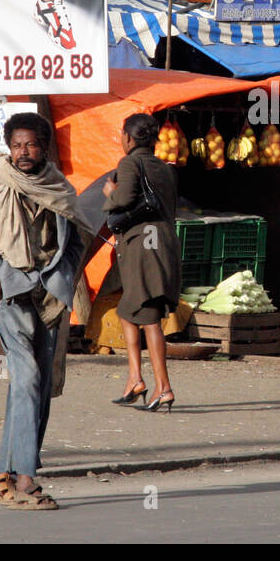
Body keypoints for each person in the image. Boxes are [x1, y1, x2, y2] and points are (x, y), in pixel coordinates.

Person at [0, 112, 91, 510]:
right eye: (17, 145)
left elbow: (76, 238)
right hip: (8, 293)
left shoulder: (58, 187)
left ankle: (6, 477)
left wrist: (64, 276)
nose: (23, 152)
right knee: (25, 374)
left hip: (47, 298)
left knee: (39, 384)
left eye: (30, 145)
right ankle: (25, 481)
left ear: (44, 147)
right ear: (8, 146)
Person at [102, 112, 180, 411]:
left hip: (143, 247)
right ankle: (136, 378)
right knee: (127, 309)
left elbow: (123, 199)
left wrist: (110, 194)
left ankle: (164, 387)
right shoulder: (166, 169)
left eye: (123, 135)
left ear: (129, 138)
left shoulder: (130, 163)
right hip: (162, 242)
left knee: (148, 317)